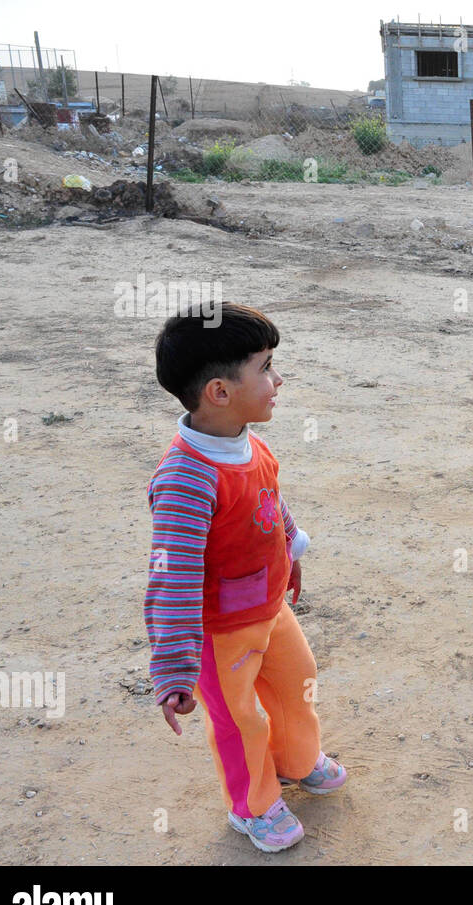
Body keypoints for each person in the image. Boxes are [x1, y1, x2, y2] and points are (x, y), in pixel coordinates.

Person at [145, 302, 346, 852]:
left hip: (269, 607)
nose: (278, 380)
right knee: (240, 720)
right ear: (220, 391)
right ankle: (253, 805)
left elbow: (269, 503)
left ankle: (297, 760)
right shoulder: (185, 478)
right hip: (221, 629)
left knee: (295, 682)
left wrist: (292, 548)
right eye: (266, 368)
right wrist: (173, 668)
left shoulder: (249, 441)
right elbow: (174, 578)